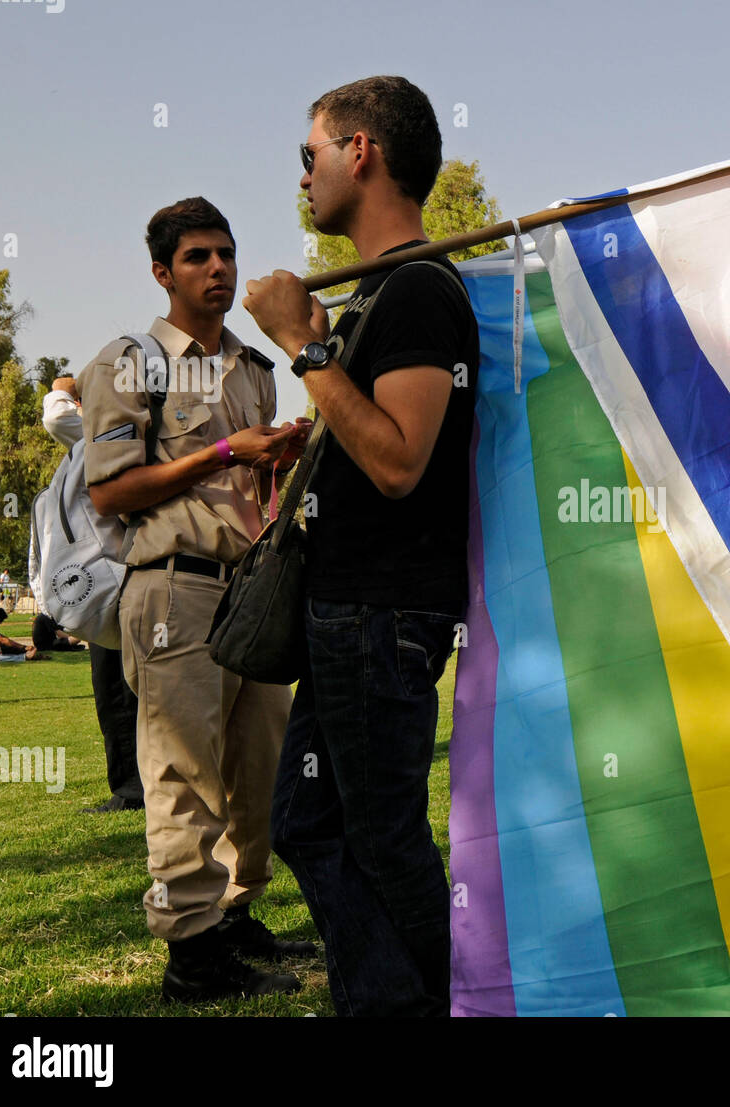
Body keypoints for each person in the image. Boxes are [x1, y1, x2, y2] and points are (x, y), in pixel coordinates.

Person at [244, 75, 479, 1016]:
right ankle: (390, 999)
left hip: (379, 615)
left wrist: (305, 349)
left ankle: (466, 999)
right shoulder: (385, 291)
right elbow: (369, 435)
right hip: (351, 608)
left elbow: (399, 462)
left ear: (360, 152)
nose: (301, 175)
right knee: (310, 819)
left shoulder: (420, 289)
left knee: (380, 837)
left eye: (309, 154)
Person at [78, 196, 315, 1002]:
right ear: (162, 272)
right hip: (174, 588)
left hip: (251, 590)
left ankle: (235, 914)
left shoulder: (253, 369)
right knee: (184, 774)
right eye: (197, 258)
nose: (218, 269)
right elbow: (110, 493)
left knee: (260, 767)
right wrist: (222, 448)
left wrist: (278, 455)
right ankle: (191, 952)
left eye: (227, 254)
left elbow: (252, 481)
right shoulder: (128, 362)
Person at [40, 376, 145, 813]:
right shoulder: (78, 452)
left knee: (128, 692)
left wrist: (66, 384)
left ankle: (137, 789)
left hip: (120, 579)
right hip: (104, 584)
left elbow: (57, 414)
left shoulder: (100, 429)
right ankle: (128, 786)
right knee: (111, 692)